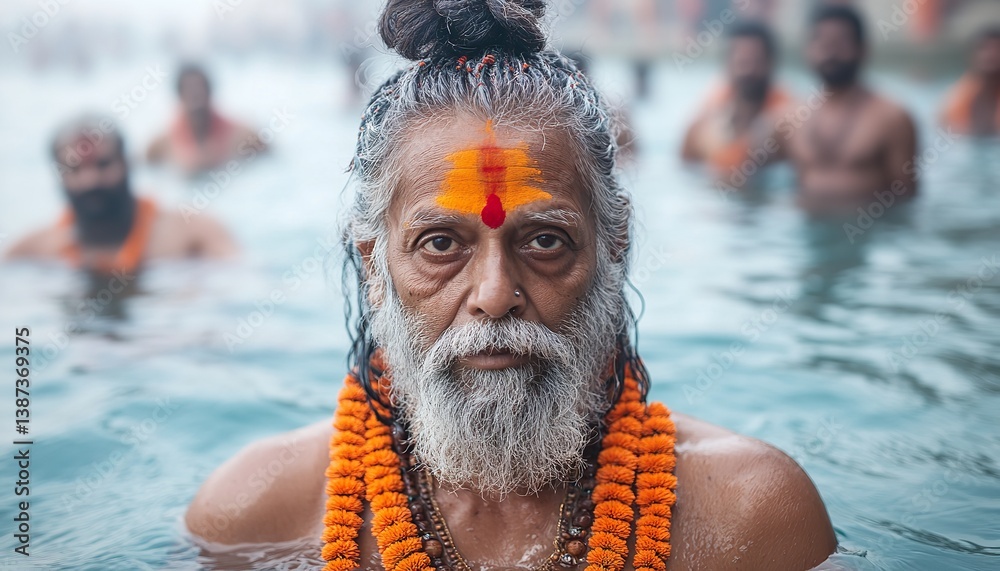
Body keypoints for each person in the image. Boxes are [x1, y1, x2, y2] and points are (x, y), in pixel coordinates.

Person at [185, 2, 837, 569]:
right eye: (440, 244)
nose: (495, 294)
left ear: (615, 246)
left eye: (544, 241)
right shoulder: (254, 515)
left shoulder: (753, 521)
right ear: (373, 267)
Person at [5, 116, 237, 272]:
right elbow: (20, 337)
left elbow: (239, 280)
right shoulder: (32, 252)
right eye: (75, 169)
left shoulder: (194, 234)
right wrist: (21, 344)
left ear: (127, 165)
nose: (91, 179)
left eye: (103, 165)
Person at [773, 5, 918, 212]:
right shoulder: (789, 118)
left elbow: (906, 197)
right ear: (808, 49)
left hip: (868, 229)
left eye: (840, 42)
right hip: (805, 230)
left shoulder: (892, 118)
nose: (830, 52)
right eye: (822, 43)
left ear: (863, 49)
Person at [682, 20, 792, 179]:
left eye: (756, 61)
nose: (748, 70)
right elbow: (685, 177)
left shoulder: (792, 122)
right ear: (727, 64)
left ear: (770, 63)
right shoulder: (703, 127)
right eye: (741, 62)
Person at [146, 64, 266, 174]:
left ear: (209, 93)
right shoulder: (162, 146)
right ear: (180, 97)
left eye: (199, 92)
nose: (196, 100)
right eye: (190, 94)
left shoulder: (243, 138)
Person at [940, 26, 1000, 137]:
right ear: (971, 56)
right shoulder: (957, 98)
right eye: (984, 49)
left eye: (997, 49)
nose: (991, 55)